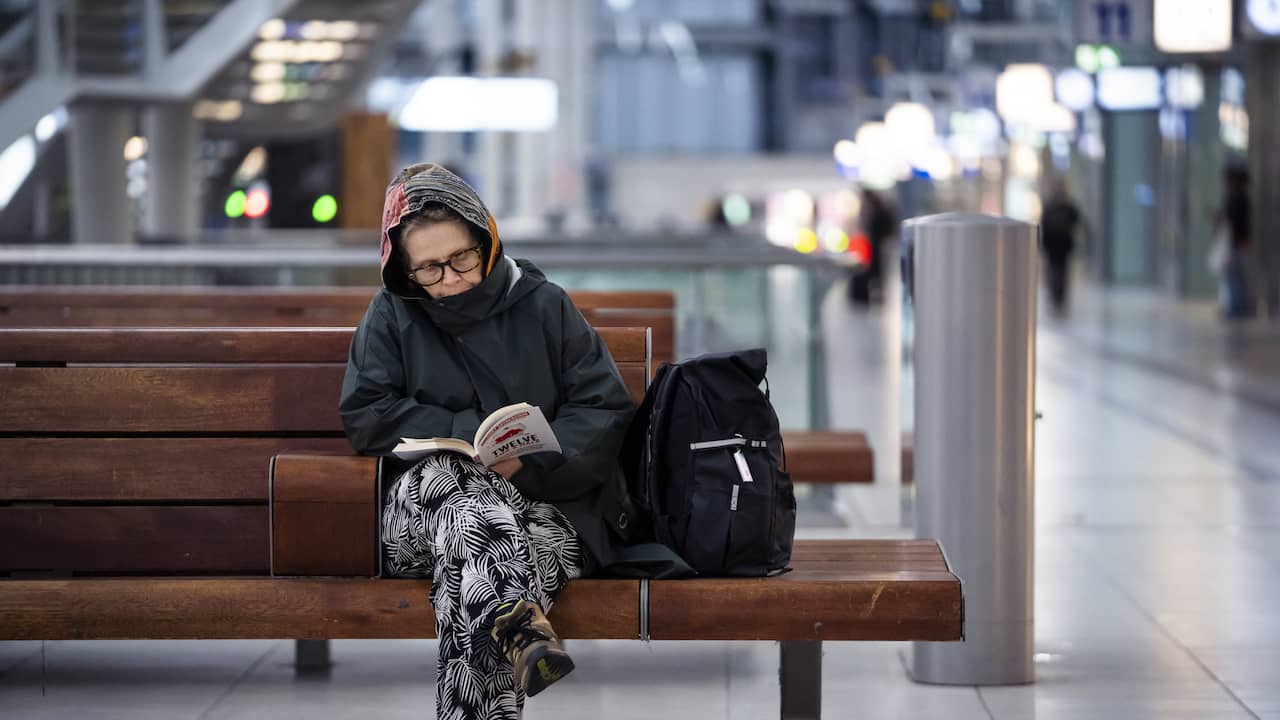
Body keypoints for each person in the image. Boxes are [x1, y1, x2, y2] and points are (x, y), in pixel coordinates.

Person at [338, 163, 640, 718]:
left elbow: (603, 407)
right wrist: (464, 438)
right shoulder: (391, 315)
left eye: (461, 258)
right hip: (419, 522)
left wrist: (528, 464)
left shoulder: (543, 305)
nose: (450, 278)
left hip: (545, 511)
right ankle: (521, 629)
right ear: (403, 270)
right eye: (429, 268)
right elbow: (366, 411)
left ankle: (514, 626)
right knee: (453, 481)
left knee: (476, 576)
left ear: (486, 240)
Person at [1039, 180, 1084, 316]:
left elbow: (1044, 225)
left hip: (1056, 245)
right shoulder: (1065, 206)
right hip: (1059, 245)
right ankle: (1058, 296)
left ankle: (1057, 296)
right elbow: (1077, 221)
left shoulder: (1054, 206)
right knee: (1059, 271)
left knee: (1057, 270)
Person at [1214, 165, 1253, 318]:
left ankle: (1237, 307)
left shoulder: (1238, 197)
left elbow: (1235, 221)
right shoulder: (1237, 197)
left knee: (1234, 276)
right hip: (1235, 242)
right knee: (1234, 276)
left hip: (1235, 243)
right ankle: (1236, 306)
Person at [848, 188, 896, 306]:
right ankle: (875, 296)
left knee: (872, 272)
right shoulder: (878, 209)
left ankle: (871, 296)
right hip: (876, 247)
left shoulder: (874, 211)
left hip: (873, 247)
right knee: (876, 274)